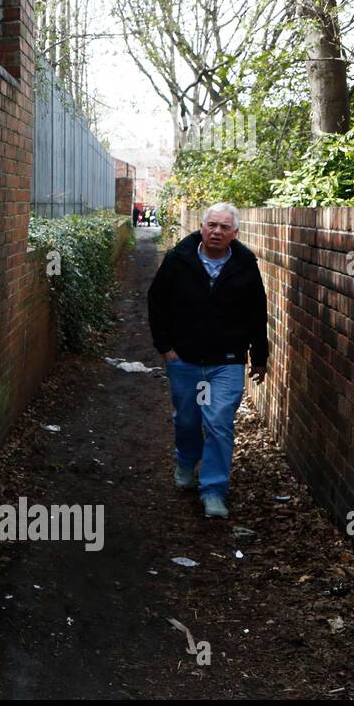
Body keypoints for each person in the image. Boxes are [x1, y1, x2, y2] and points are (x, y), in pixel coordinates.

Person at [147, 203, 268, 518]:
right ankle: (186, 462)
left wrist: (259, 357)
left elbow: (257, 312)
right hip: (184, 359)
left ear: (235, 234)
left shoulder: (245, 265)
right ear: (201, 228)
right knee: (187, 420)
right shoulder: (178, 260)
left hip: (226, 361)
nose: (216, 231)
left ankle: (214, 490)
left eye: (224, 228)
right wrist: (166, 349)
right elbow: (156, 302)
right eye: (212, 225)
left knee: (218, 423)